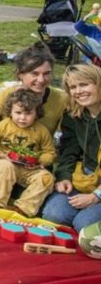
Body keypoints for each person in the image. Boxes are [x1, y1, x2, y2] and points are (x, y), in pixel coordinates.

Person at [0, 42, 68, 199]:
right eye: (34, 73)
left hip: (35, 164)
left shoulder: (60, 100)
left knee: (36, 196)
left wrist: (47, 159)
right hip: (2, 160)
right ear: (20, 74)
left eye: (47, 73)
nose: (41, 79)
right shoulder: (5, 97)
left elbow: (69, 138)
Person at [42, 64, 101, 232]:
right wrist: (64, 176)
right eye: (73, 87)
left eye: (84, 85)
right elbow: (69, 149)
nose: (78, 91)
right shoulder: (74, 113)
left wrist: (95, 196)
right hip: (85, 176)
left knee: (84, 224)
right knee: (54, 214)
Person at [0, 89, 56, 217]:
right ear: (10, 112)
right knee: (4, 167)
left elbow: (49, 151)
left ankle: (23, 208)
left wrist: (41, 161)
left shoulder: (41, 131)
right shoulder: (4, 126)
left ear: (36, 113)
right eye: (18, 113)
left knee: (47, 178)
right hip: (7, 162)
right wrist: (2, 155)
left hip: (30, 168)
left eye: (28, 113)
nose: (22, 118)